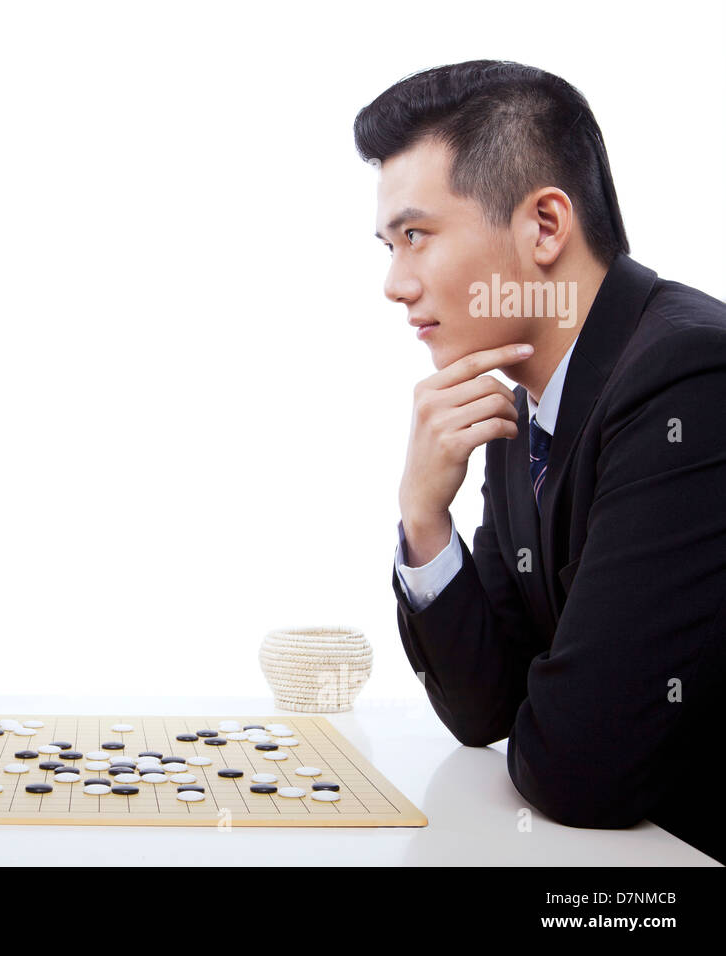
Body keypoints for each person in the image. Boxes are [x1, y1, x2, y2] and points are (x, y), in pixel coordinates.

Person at [358, 60, 726, 863]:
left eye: (416, 235)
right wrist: (424, 521)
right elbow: (485, 707)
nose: (393, 282)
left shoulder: (691, 378)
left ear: (546, 226)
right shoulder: (525, 405)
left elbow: (583, 765)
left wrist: (558, 704)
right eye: (388, 245)